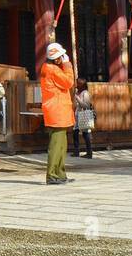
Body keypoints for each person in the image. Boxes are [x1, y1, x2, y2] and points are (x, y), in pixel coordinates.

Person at [40, 40, 75, 185]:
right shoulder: (52, 69)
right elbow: (68, 82)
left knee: (61, 146)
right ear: (57, 58)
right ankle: (52, 175)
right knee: (56, 146)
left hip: (58, 111)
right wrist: (67, 66)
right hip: (57, 111)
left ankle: (60, 174)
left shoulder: (49, 68)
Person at [72, 78, 95, 159]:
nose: (76, 85)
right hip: (77, 115)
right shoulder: (77, 92)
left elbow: (86, 106)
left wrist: (77, 98)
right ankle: (76, 151)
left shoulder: (85, 93)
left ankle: (89, 152)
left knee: (86, 134)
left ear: (81, 85)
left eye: (78, 83)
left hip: (83, 115)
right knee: (75, 133)